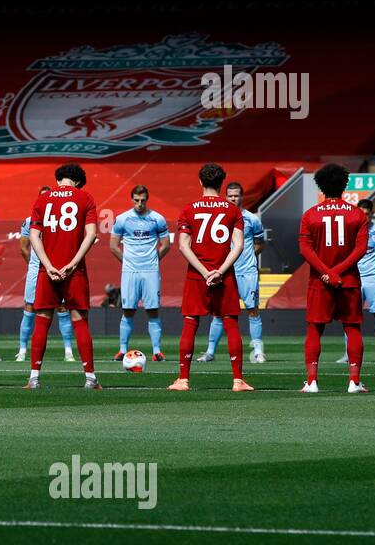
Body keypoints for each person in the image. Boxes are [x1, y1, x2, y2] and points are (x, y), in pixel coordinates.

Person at [168, 163, 253, 393]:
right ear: (222, 183)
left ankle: (183, 380)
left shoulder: (189, 209)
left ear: (200, 182)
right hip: (223, 276)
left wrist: (205, 272)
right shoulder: (233, 210)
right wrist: (220, 271)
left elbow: (183, 245)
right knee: (230, 322)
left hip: (198, 275)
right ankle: (238, 381)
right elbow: (239, 245)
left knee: (191, 322)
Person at [26, 164, 101, 390]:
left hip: (46, 270)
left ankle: (34, 378)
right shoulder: (85, 198)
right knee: (79, 321)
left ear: (59, 179)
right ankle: (90, 378)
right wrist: (73, 263)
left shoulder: (43, 199)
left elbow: (34, 235)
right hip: (74, 271)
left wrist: (48, 265)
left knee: (41, 321)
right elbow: (91, 234)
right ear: (77, 182)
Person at [298, 164, 370, 394]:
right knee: (352, 328)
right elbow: (361, 249)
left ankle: (312, 381)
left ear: (320, 186)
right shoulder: (357, 214)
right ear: (344, 184)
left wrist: (327, 273)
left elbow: (305, 250)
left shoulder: (310, 215)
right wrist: (338, 272)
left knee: (314, 329)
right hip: (348, 281)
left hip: (320, 282)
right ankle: (354, 381)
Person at [200, 181, 267, 363]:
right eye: (230, 196)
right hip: (225, 272)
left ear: (241, 197)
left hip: (247, 272)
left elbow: (260, 242)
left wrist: (248, 257)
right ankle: (210, 351)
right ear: (225, 196)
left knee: (252, 310)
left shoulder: (252, 219)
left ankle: (258, 351)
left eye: (236, 196)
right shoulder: (219, 218)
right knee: (218, 312)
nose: (233, 199)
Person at [110, 184, 171, 364]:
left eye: (143, 200)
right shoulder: (122, 219)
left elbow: (166, 245)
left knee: (152, 310)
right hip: (130, 271)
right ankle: (122, 350)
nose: (139, 203)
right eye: (136, 200)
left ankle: (157, 351)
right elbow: (113, 246)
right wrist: (127, 261)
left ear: (147, 199)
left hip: (150, 271)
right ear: (132, 199)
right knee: (128, 310)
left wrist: (154, 259)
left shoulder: (157, 219)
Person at [17, 185, 74, 364]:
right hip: (36, 271)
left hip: (58, 269)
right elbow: (23, 248)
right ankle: (22, 350)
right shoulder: (29, 221)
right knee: (30, 308)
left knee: (62, 309)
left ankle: (68, 351)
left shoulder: (61, 221)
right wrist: (35, 266)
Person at [338, 198, 375, 365]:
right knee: (350, 318)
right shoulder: (349, 231)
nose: (364, 217)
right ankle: (348, 354)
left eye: (367, 214)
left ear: (372, 214)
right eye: (361, 214)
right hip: (354, 279)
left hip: (374, 280)